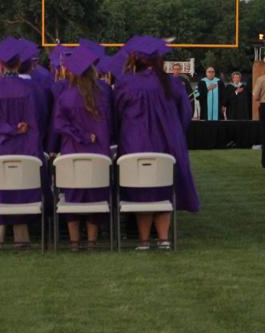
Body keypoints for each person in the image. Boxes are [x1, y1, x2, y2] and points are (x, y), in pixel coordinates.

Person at [114, 36, 198, 250]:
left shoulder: (126, 82)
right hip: (167, 143)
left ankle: (143, 240)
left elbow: (117, 113)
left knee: (142, 190)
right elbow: (185, 113)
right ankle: (163, 238)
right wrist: (175, 131)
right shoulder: (171, 83)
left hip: (135, 143)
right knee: (164, 188)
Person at [0, 38, 45, 249]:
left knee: (2, 189)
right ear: (18, 64)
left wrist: (7, 130)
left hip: (1, 145)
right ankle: (21, 239)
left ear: (0, 64)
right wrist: (19, 130)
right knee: (21, 189)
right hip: (26, 145)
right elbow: (37, 119)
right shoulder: (31, 88)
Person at [53, 47, 113, 251]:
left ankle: (74, 242)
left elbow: (59, 125)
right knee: (95, 194)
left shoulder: (66, 96)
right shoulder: (104, 93)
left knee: (73, 195)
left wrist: (81, 136)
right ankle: (92, 241)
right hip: (98, 151)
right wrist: (90, 136)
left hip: (73, 150)